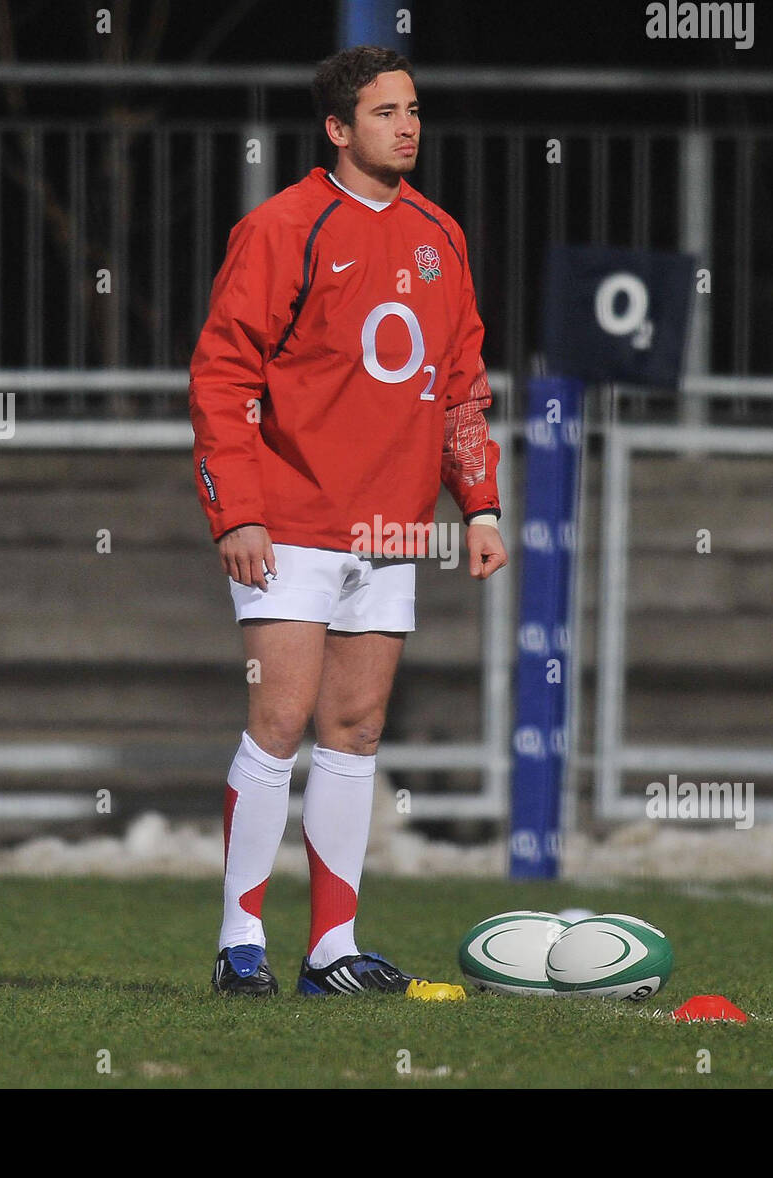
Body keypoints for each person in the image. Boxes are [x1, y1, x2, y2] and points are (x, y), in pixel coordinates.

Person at [189, 44, 507, 999]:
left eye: (413, 110)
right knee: (279, 720)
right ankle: (239, 939)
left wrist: (480, 503)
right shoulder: (283, 228)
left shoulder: (440, 235)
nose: (407, 127)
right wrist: (236, 512)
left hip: (394, 532)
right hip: (289, 520)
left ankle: (333, 950)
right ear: (337, 128)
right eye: (384, 113)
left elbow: (460, 389)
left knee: (357, 730)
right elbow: (223, 375)